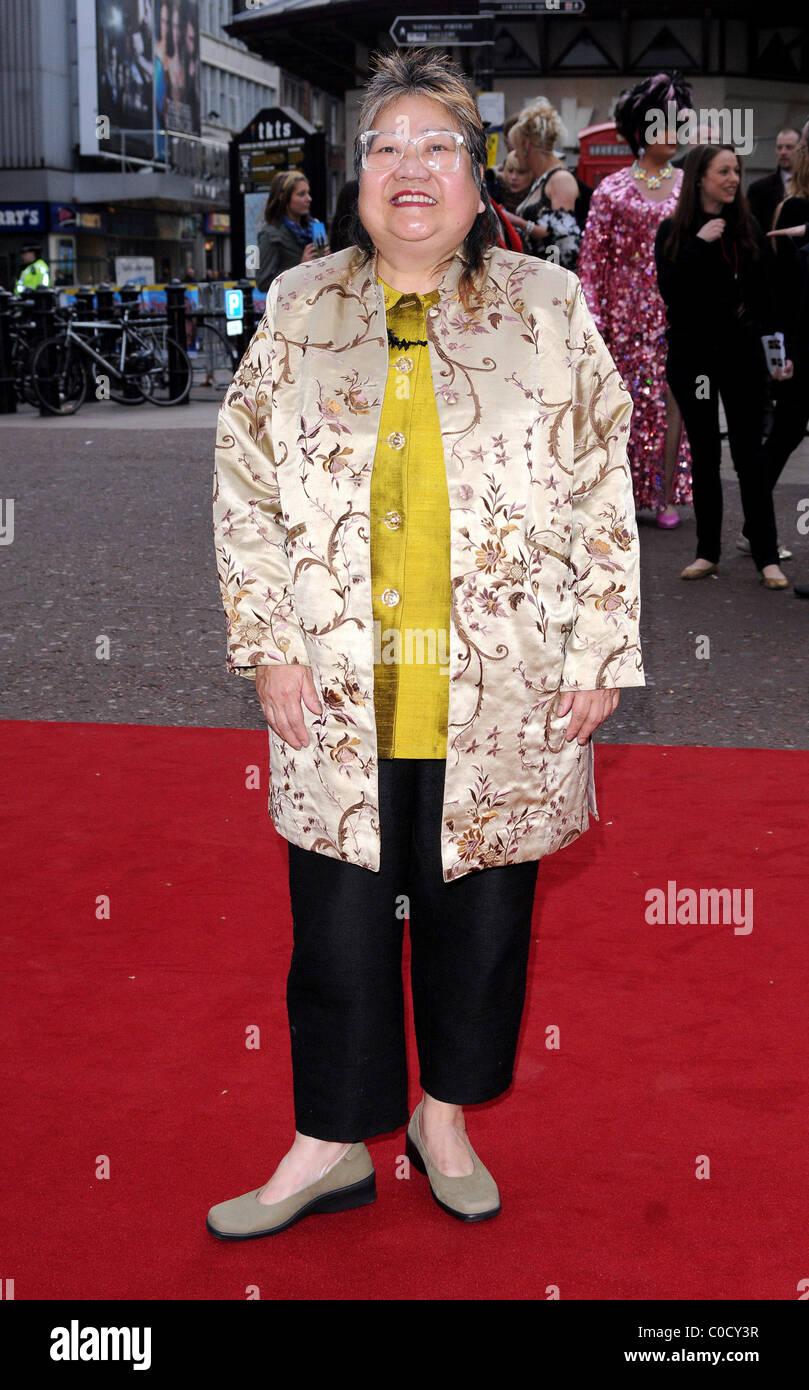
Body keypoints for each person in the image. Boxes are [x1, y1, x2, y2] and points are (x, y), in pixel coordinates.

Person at [208, 45, 645, 1241]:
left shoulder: (546, 308)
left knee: (484, 915)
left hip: (501, 690)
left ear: (477, 172)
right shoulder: (301, 306)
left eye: (437, 145)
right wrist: (270, 644)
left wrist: (597, 647)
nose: (410, 166)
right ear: (356, 177)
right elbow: (243, 483)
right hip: (338, 688)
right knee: (338, 922)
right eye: (385, 146)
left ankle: (444, 1116)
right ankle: (329, 1139)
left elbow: (601, 478)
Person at [654, 144, 793, 590]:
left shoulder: (747, 227)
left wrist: (779, 351)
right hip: (694, 360)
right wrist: (698, 244)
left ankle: (767, 557)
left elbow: (767, 297)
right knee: (706, 454)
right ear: (699, 179)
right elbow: (671, 293)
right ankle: (706, 553)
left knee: (749, 455)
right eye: (724, 171)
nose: (733, 179)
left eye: (736, 171)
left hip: (741, 356)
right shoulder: (673, 231)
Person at [577, 72, 694, 529]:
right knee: (618, 408)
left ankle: (665, 496)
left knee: (673, 406)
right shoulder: (611, 189)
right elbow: (592, 262)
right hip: (622, 321)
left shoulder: (689, 186)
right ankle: (615, 497)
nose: (671, 132)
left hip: (674, 316)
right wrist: (595, 324)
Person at [747, 117, 809, 567]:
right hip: (798, 343)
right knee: (785, 431)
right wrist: (783, 350)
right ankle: (755, 526)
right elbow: (781, 291)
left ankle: (755, 526)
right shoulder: (792, 209)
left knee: (787, 432)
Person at [504, 97, 592, 268]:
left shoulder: (560, 180)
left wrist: (517, 221)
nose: (515, 155)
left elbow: (563, 240)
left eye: (516, 148)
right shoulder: (544, 180)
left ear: (526, 145)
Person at [256, 170, 329, 291]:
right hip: (292, 307)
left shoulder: (314, 227)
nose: (309, 199)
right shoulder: (270, 235)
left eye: (308, 193)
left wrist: (328, 259)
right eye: (301, 194)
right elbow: (263, 283)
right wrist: (300, 267)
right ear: (283, 197)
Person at [747, 128, 801, 233]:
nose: (783, 152)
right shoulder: (759, 189)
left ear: (802, 149)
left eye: (789, 147)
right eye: (779, 147)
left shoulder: (806, 183)